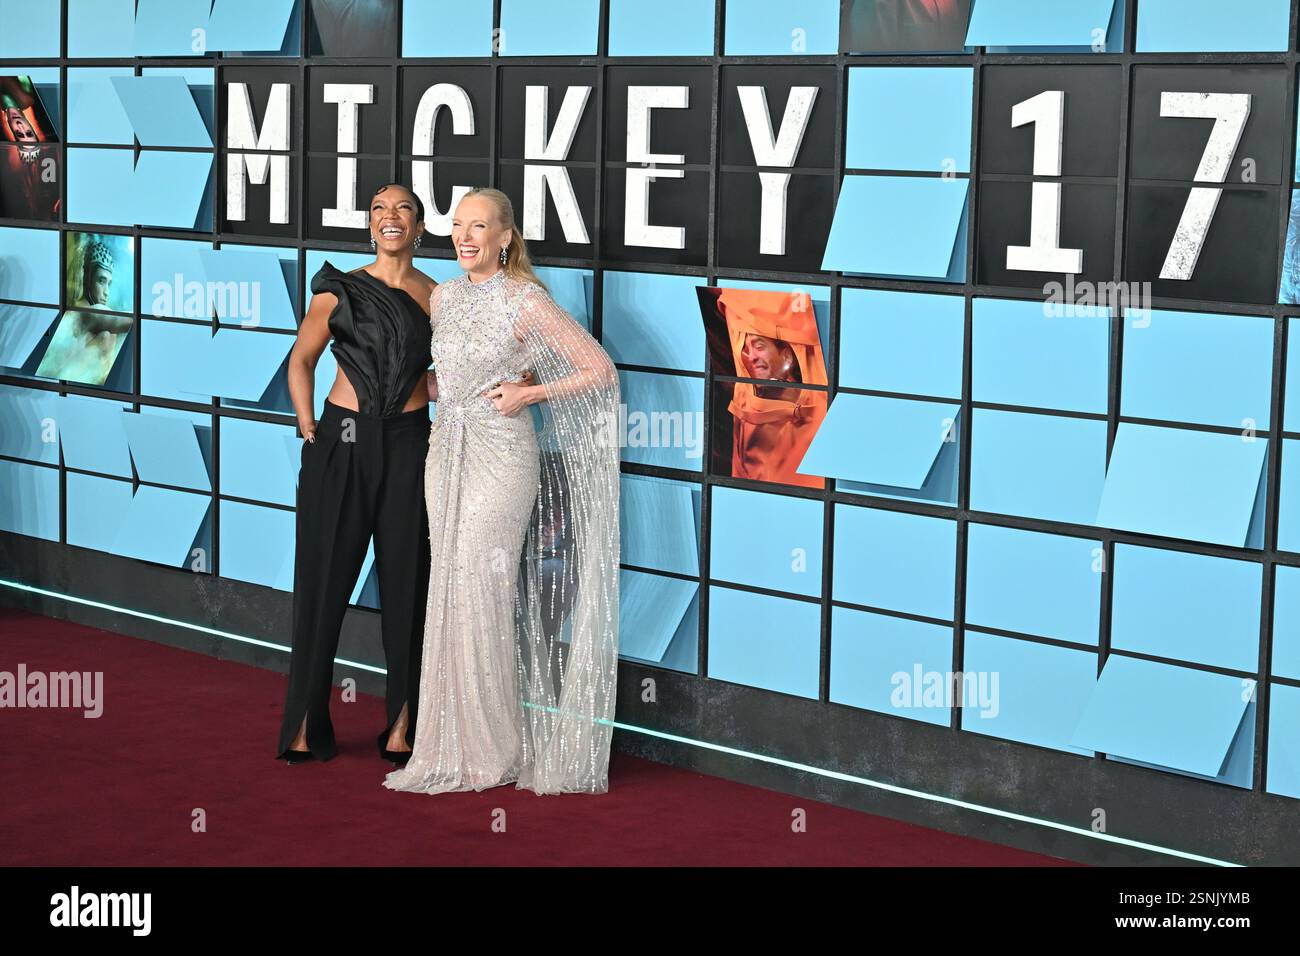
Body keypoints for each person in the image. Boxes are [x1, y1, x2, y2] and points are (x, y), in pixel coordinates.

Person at [275, 183, 533, 765]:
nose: (390, 218)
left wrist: (515, 387)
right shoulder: (338, 288)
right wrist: (307, 425)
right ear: (370, 225)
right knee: (323, 584)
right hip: (340, 442)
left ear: (420, 227)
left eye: (404, 210)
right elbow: (301, 360)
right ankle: (303, 726)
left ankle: (404, 727)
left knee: (410, 587)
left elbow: (459, 368)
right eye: (379, 210)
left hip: (412, 445)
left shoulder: (441, 297)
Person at [382, 186, 622, 796]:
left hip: (503, 456)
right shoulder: (444, 296)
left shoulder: (527, 303)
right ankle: (449, 739)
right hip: (447, 452)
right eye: (458, 225)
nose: (464, 237)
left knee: (482, 589)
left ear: (505, 237)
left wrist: (528, 394)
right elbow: (446, 378)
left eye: (479, 227)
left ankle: (491, 748)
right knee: (449, 586)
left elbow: (598, 369)